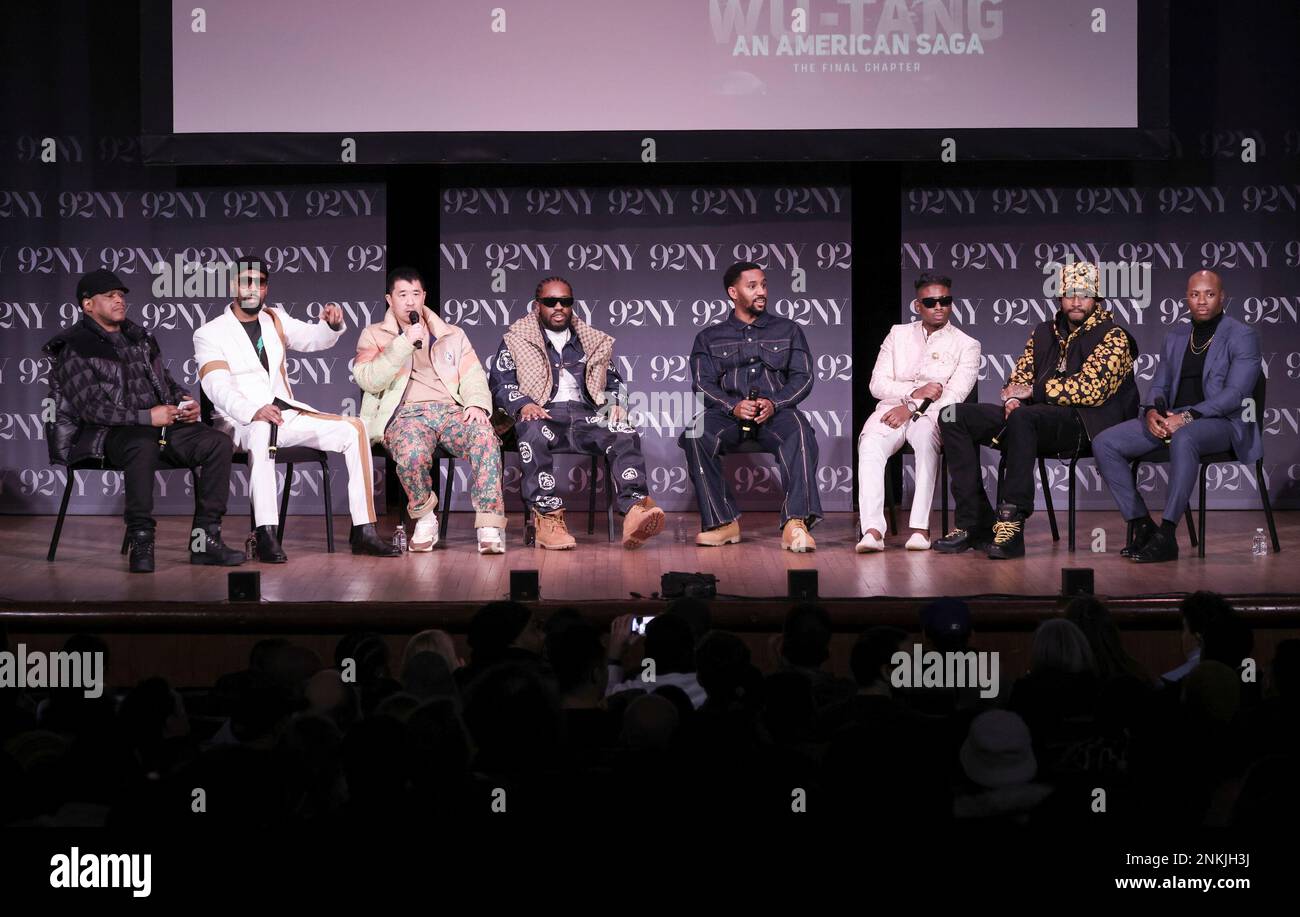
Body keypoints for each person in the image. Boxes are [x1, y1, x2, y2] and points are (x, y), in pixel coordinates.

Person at [193, 258, 400, 562]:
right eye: (246, 282)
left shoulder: (274, 318)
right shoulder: (210, 333)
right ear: (233, 286)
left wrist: (330, 326)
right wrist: (253, 411)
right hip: (241, 422)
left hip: (285, 415)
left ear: (266, 289)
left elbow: (313, 339)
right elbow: (217, 387)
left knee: (354, 428)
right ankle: (266, 533)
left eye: (260, 283)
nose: (253, 289)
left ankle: (363, 530)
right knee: (263, 429)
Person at [43, 269, 245, 573]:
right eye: (110, 296)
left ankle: (206, 541)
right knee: (141, 443)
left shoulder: (139, 339)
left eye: (121, 295)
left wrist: (184, 402)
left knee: (215, 442)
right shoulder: (75, 347)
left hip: (158, 428)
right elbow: (91, 409)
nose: (119, 301)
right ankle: (141, 538)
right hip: (107, 435)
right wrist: (145, 417)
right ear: (87, 305)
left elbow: (167, 383)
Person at [935, 261, 1138, 559]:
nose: (1077, 300)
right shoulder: (1044, 332)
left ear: (1097, 299)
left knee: (1025, 417)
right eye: (1070, 294)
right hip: (1031, 421)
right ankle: (973, 520)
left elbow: (1091, 391)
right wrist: (1013, 399)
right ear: (1060, 298)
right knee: (952, 415)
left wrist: (1031, 394)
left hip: (1085, 425)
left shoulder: (1114, 337)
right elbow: (1020, 376)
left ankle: (1012, 521)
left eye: (1085, 294)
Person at [1092, 270, 1261, 562]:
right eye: (1195, 295)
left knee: (1184, 438)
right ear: (1187, 298)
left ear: (1223, 297)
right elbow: (1159, 383)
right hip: (1173, 419)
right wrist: (1153, 412)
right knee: (1106, 443)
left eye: (1209, 294)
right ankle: (1143, 525)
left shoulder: (1242, 335)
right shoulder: (1176, 335)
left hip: (1223, 423)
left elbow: (1235, 394)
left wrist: (1188, 417)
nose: (1202, 301)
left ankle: (1168, 534)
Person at [487, 276, 664, 550]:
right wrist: (523, 404)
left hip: (585, 416)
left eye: (565, 301)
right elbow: (501, 382)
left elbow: (614, 381)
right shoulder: (516, 340)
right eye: (551, 302)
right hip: (542, 413)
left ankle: (634, 512)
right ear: (537, 306)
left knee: (623, 430)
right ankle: (546, 519)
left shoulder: (591, 341)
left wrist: (616, 402)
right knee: (531, 430)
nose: (559, 307)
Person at [355, 267, 506, 554]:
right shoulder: (374, 335)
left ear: (424, 296)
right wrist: (402, 343)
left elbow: (473, 376)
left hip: (449, 412)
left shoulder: (452, 335)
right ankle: (424, 517)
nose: (410, 302)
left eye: (415, 294)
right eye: (402, 295)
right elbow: (367, 378)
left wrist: (476, 404)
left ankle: (488, 523)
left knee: (484, 435)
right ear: (390, 299)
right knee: (411, 453)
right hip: (404, 415)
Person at [680, 261, 821, 551]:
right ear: (733, 292)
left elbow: (804, 378)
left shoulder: (789, 330)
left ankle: (796, 523)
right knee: (696, 431)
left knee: (800, 430)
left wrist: (774, 401)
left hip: (777, 414)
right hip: (728, 415)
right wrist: (733, 406)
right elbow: (702, 383)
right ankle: (723, 522)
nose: (761, 292)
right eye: (752, 286)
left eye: (764, 285)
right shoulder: (709, 337)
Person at [857, 272, 980, 552]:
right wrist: (912, 394)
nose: (938, 307)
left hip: (932, 415)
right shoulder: (897, 334)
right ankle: (873, 531)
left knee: (926, 440)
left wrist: (911, 408)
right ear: (917, 305)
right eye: (931, 302)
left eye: (945, 300)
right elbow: (877, 385)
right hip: (890, 409)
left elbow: (953, 397)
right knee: (870, 444)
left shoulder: (967, 345)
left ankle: (920, 530)